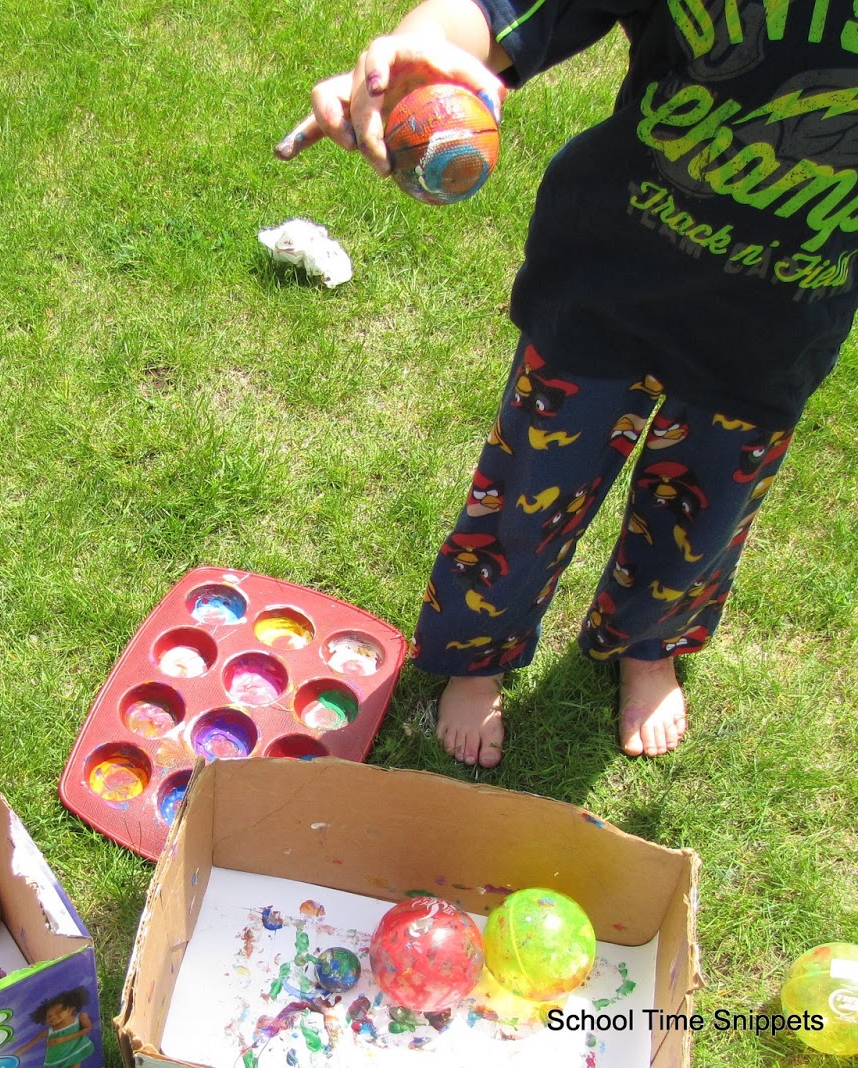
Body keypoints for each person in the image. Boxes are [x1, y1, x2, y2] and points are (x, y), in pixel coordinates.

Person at [278, 0, 858, 765]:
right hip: (608, 277)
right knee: (528, 492)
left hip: (779, 323)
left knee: (702, 514)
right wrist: (424, 45)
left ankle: (648, 644)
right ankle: (476, 654)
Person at [13, 988, 95, 1067]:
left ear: (71, 1009)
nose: (53, 1017)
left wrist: (64, 1039)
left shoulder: (80, 1017)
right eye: (49, 1016)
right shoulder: (48, 1031)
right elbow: (28, 1046)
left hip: (75, 1050)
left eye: (59, 1011)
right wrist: (11, 1057)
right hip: (55, 1060)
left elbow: (88, 1028)